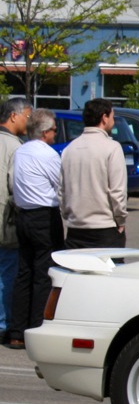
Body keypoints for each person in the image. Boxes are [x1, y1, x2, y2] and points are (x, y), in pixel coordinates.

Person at [7, 109, 63, 349]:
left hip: (23, 215)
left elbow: (13, 182)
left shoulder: (20, 152)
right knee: (43, 274)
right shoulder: (48, 154)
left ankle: (18, 331)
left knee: (24, 273)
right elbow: (61, 183)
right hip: (43, 215)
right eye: (52, 131)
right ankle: (37, 327)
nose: (54, 134)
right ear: (44, 132)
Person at [60, 98, 127, 249]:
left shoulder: (69, 149)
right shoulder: (112, 148)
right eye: (112, 117)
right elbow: (117, 192)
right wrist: (121, 220)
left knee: (76, 271)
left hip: (75, 228)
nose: (113, 121)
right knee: (108, 271)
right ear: (104, 117)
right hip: (105, 228)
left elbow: (62, 190)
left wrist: (68, 215)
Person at [0, 96, 32, 336]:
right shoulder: (16, 148)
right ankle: (4, 323)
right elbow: (16, 187)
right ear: (13, 116)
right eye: (26, 116)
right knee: (7, 275)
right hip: (6, 224)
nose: (28, 121)